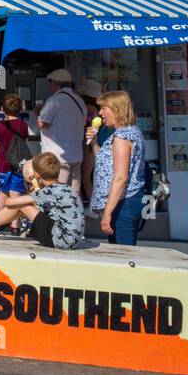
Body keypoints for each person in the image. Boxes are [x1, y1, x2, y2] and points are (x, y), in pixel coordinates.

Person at [0, 152, 84, 249]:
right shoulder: (65, 188)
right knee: (23, 206)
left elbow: (9, 202)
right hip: (71, 240)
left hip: (61, 239)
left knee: (22, 205)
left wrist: (31, 182)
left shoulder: (50, 191)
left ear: (37, 175)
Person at [88, 90, 148, 246]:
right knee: (121, 253)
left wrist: (107, 212)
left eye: (104, 108)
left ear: (117, 109)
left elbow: (121, 178)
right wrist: (94, 141)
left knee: (124, 255)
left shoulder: (122, 136)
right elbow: (105, 160)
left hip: (124, 203)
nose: (100, 113)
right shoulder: (129, 131)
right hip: (124, 202)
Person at [38, 68, 87, 196]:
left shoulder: (55, 100)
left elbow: (43, 123)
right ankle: (78, 215)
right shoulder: (79, 100)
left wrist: (38, 113)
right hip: (76, 153)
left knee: (58, 193)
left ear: (55, 83)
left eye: (51, 83)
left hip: (57, 156)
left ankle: (57, 216)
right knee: (75, 192)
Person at [0, 94, 33, 229]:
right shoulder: (23, 125)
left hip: (3, 165)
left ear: (3, 109)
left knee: (3, 193)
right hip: (19, 164)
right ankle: (15, 224)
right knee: (16, 193)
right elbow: (24, 144)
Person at [76, 77, 107, 204]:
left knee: (86, 177)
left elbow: (83, 126)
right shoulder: (99, 109)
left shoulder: (87, 108)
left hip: (89, 145)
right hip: (95, 143)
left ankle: (94, 205)